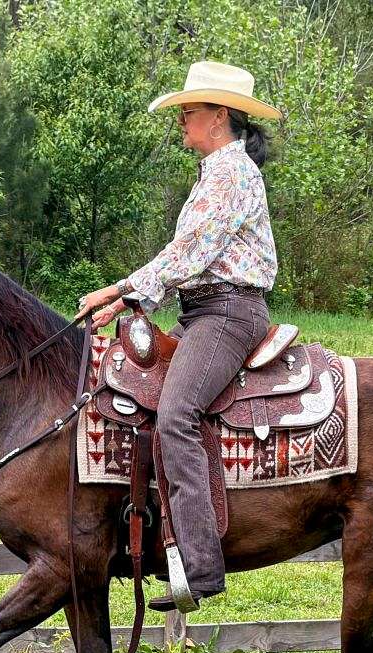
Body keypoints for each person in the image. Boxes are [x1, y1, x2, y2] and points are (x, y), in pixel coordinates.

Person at [77, 61, 281, 612]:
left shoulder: (233, 175)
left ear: (218, 117)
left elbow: (192, 254)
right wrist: (126, 298)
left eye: (188, 112)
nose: (181, 122)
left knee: (176, 414)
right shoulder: (216, 172)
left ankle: (199, 564)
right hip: (201, 311)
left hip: (228, 314)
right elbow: (186, 260)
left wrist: (121, 291)